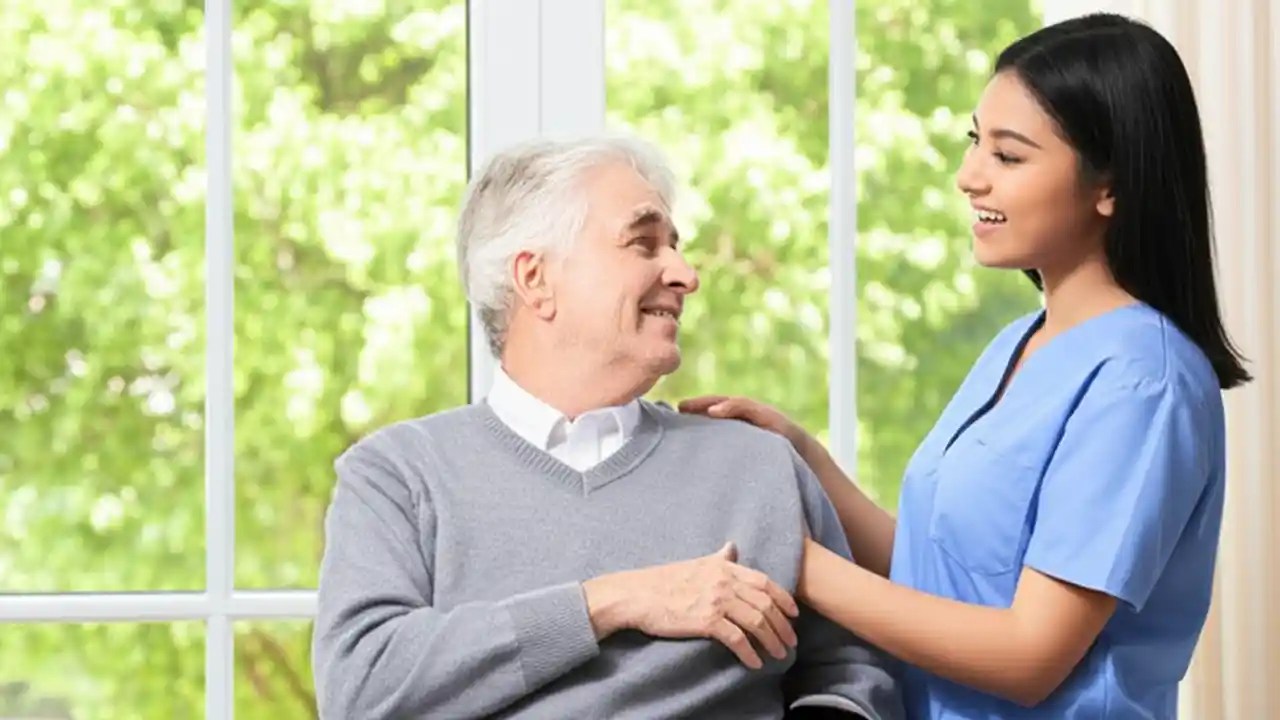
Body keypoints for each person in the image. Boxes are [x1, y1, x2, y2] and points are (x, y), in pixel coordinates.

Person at [681, 13, 1250, 719]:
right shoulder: (1019, 343)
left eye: (1008, 157)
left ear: (1112, 186)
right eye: (975, 142)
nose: (968, 178)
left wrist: (792, 561)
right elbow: (939, 574)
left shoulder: (1144, 382)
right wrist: (807, 460)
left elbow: (1028, 657)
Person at [310, 134, 905, 719]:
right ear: (535, 279)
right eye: (643, 244)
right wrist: (615, 601)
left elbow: (853, 674)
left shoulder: (757, 464)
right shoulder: (398, 474)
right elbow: (361, 686)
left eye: (676, 246)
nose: (685, 274)